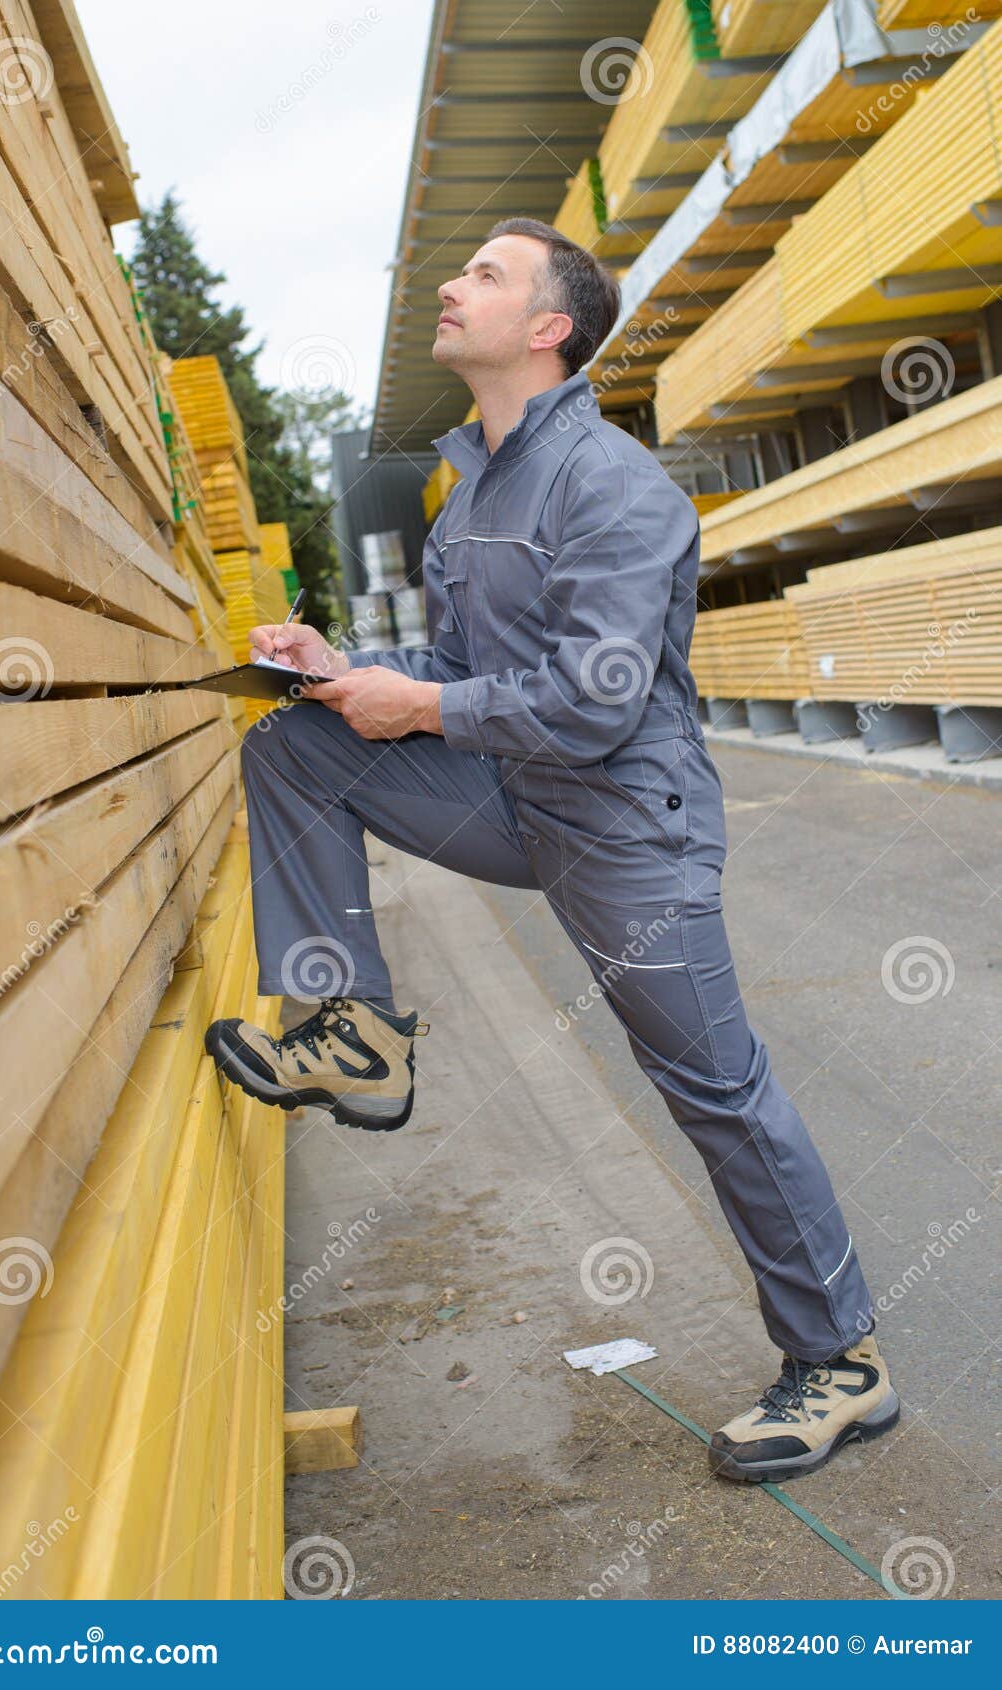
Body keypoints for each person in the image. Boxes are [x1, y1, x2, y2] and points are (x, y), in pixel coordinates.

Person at [205, 217, 898, 1484]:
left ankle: (841, 1361)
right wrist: (346, 666)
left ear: (547, 329)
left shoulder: (613, 486)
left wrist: (422, 705)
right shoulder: (469, 491)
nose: (448, 284)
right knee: (294, 744)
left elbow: (595, 699)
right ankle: (356, 1031)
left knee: (716, 1090)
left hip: (629, 829)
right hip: (516, 797)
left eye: (483, 274)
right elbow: (461, 670)